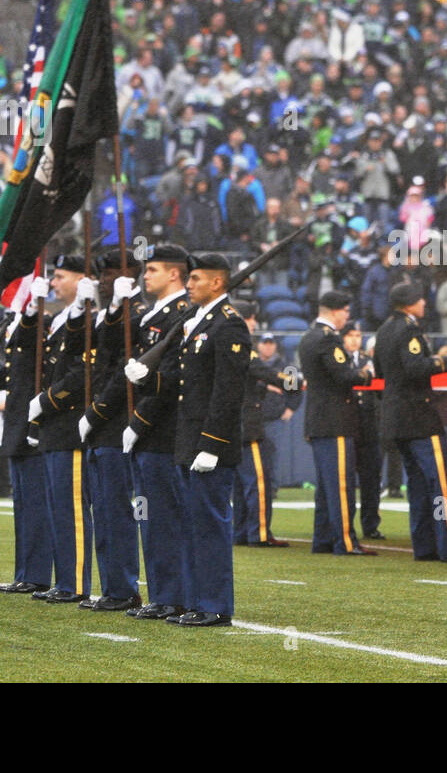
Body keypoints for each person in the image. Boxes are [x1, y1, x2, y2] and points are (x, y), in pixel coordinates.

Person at [375, 282, 447, 563]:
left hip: (396, 417)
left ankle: (424, 545)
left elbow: (379, 372)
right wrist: (446, 361)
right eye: (420, 299)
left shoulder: (384, 330)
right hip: (420, 416)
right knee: (441, 484)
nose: (425, 303)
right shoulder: (409, 330)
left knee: (418, 484)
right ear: (409, 303)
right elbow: (415, 368)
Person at [168, 251, 252, 626]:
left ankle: (215, 605)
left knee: (209, 526)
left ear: (217, 282)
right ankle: (193, 599)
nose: (188, 285)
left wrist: (211, 443)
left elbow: (227, 391)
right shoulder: (199, 322)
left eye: (196, 278)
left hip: (209, 444)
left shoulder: (228, 325)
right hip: (189, 438)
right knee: (189, 525)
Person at [120, 244, 195, 621]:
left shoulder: (182, 314)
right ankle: (162, 592)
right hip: (149, 433)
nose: (144, 276)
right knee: (148, 516)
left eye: (151, 270)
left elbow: (173, 379)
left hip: (164, 432)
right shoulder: (155, 313)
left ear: (173, 274)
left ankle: (173, 595)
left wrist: (139, 422)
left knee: (165, 518)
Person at [75, 249, 144, 612]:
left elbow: (122, 369)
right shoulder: (108, 316)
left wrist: (97, 413)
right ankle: (114, 586)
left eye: (110, 273)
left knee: (118, 511)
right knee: (103, 511)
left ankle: (125, 587)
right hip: (99, 428)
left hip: (117, 424)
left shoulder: (138, 316)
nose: (103, 279)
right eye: (102, 273)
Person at [26, 254, 97, 604]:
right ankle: (64, 579)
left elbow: (81, 374)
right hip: (53, 426)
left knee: (72, 509)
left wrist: (47, 401)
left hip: (69, 422)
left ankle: (76, 582)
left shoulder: (87, 319)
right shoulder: (58, 320)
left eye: (60, 276)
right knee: (58, 507)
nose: (54, 283)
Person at [0, 280, 53, 594]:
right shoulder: (17, 330)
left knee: (34, 506)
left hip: (33, 428)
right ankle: (26, 572)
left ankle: (36, 574)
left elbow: (37, 373)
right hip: (17, 428)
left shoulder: (38, 329)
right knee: (23, 506)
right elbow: (12, 375)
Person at [298, 290, 376, 556]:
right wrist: (366, 376)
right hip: (336, 420)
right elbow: (344, 375)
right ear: (335, 311)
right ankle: (345, 540)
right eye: (345, 311)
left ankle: (323, 539)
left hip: (319, 419)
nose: (347, 316)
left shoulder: (309, 337)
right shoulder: (328, 339)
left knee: (325, 487)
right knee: (341, 485)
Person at [233, 303, 293, 548]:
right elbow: (262, 370)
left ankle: (240, 532)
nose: (253, 323)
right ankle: (258, 533)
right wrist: (293, 382)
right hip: (248, 423)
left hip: (232, 421)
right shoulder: (241, 343)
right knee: (258, 481)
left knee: (239, 483)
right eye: (249, 318)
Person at [343, 320, 383, 539]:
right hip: (346, 426)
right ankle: (345, 523)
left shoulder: (370, 361)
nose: (355, 340)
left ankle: (371, 524)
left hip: (369, 427)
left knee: (371, 479)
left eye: (358, 336)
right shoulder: (339, 361)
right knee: (345, 479)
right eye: (350, 335)